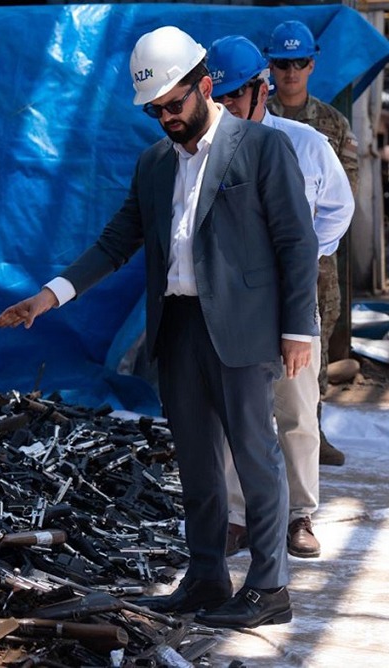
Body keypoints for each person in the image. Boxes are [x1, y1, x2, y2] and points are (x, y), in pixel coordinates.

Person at [0, 26, 319, 629]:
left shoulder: (260, 149)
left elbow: (297, 243)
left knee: (256, 457)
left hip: (243, 331)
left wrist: (299, 329)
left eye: (175, 103)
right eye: (155, 110)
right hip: (177, 328)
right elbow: (116, 243)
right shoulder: (153, 166)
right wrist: (49, 296)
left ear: (204, 87)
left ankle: (270, 588)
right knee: (195, 462)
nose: (166, 117)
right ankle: (203, 578)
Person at [207, 36, 354, 561]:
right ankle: (238, 515)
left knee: (295, 408)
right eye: (215, 99)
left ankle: (299, 515)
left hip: (291, 298)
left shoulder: (307, 143)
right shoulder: (208, 150)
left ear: (259, 90)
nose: (223, 109)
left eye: (231, 98)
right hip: (233, 302)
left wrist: (309, 256)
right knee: (235, 413)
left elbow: (339, 207)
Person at [265, 19, 360, 467]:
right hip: (259, 260)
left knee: (313, 349)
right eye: (282, 64)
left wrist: (311, 250)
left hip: (316, 262)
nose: (290, 72)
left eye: (298, 62)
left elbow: (346, 194)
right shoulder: (254, 116)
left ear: (312, 64)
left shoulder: (332, 124)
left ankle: (311, 432)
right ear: (270, 67)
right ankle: (263, 440)